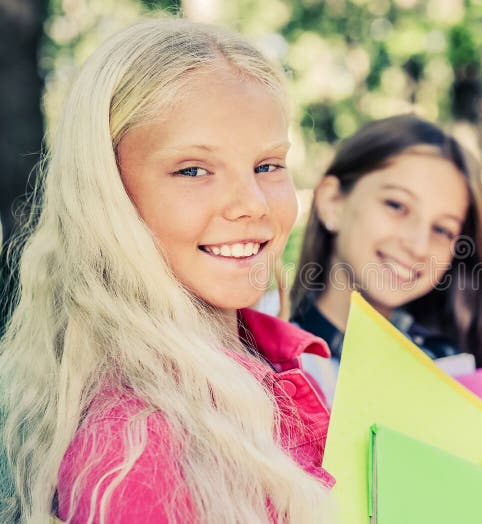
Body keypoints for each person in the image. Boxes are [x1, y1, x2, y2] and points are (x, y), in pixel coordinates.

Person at [0, 19, 333, 523]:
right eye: (194, 170)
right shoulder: (137, 448)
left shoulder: (275, 355)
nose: (252, 204)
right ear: (107, 193)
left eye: (268, 165)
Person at [288, 114, 482, 524]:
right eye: (397, 206)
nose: (418, 244)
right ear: (333, 202)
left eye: (442, 229)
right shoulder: (273, 356)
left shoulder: (445, 360)